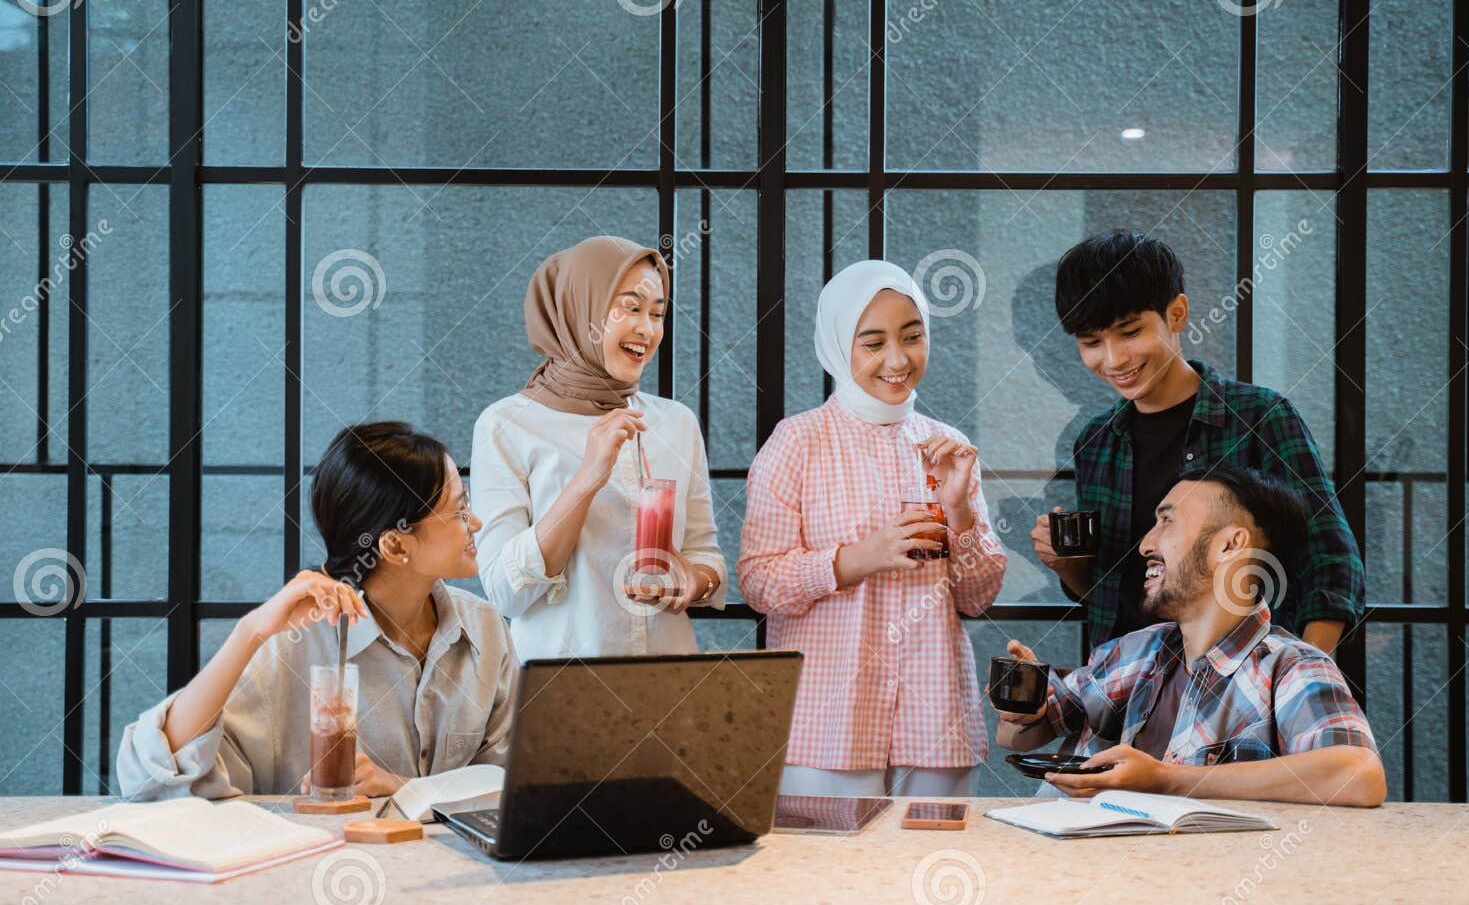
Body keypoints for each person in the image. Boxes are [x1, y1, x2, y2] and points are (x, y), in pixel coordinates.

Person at [118, 422, 517, 801]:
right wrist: (249, 631)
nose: (476, 523)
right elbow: (147, 780)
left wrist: (402, 786)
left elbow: (517, 780)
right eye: (460, 510)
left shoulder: (484, 627)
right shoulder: (297, 645)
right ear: (395, 547)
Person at [740, 259, 1006, 798]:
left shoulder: (948, 446)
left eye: (913, 337)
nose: (897, 360)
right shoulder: (797, 443)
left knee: (929, 869)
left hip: (934, 722)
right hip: (827, 724)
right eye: (873, 343)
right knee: (828, 882)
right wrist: (860, 556)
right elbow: (757, 583)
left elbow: (978, 597)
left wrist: (958, 511)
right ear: (840, 346)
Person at [1036, 231, 1363, 656]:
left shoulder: (1260, 417)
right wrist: (1068, 565)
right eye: (1092, 343)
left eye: (1130, 332)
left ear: (1177, 313)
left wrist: (1299, 678)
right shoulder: (1095, 442)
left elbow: (1332, 561)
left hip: (1240, 686)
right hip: (1128, 689)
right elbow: (1107, 594)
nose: (1114, 359)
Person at [1001, 464, 1384, 808]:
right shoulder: (1137, 651)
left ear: (1229, 545)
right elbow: (1017, 737)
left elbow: (1360, 775)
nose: (1145, 545)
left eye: (1167, 522)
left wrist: (1164, 780)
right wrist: (1024, 703)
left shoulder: (1289, 666)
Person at [472, 235, 725, 661]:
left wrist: (696, 581)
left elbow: (705, 552)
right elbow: (504, 591)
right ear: (580, 310)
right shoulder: (506, 425)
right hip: (559, 688)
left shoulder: (675, 423)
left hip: (669, 679)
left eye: (657, 313)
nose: (647, 329)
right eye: (630, 308)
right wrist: (588, 477)